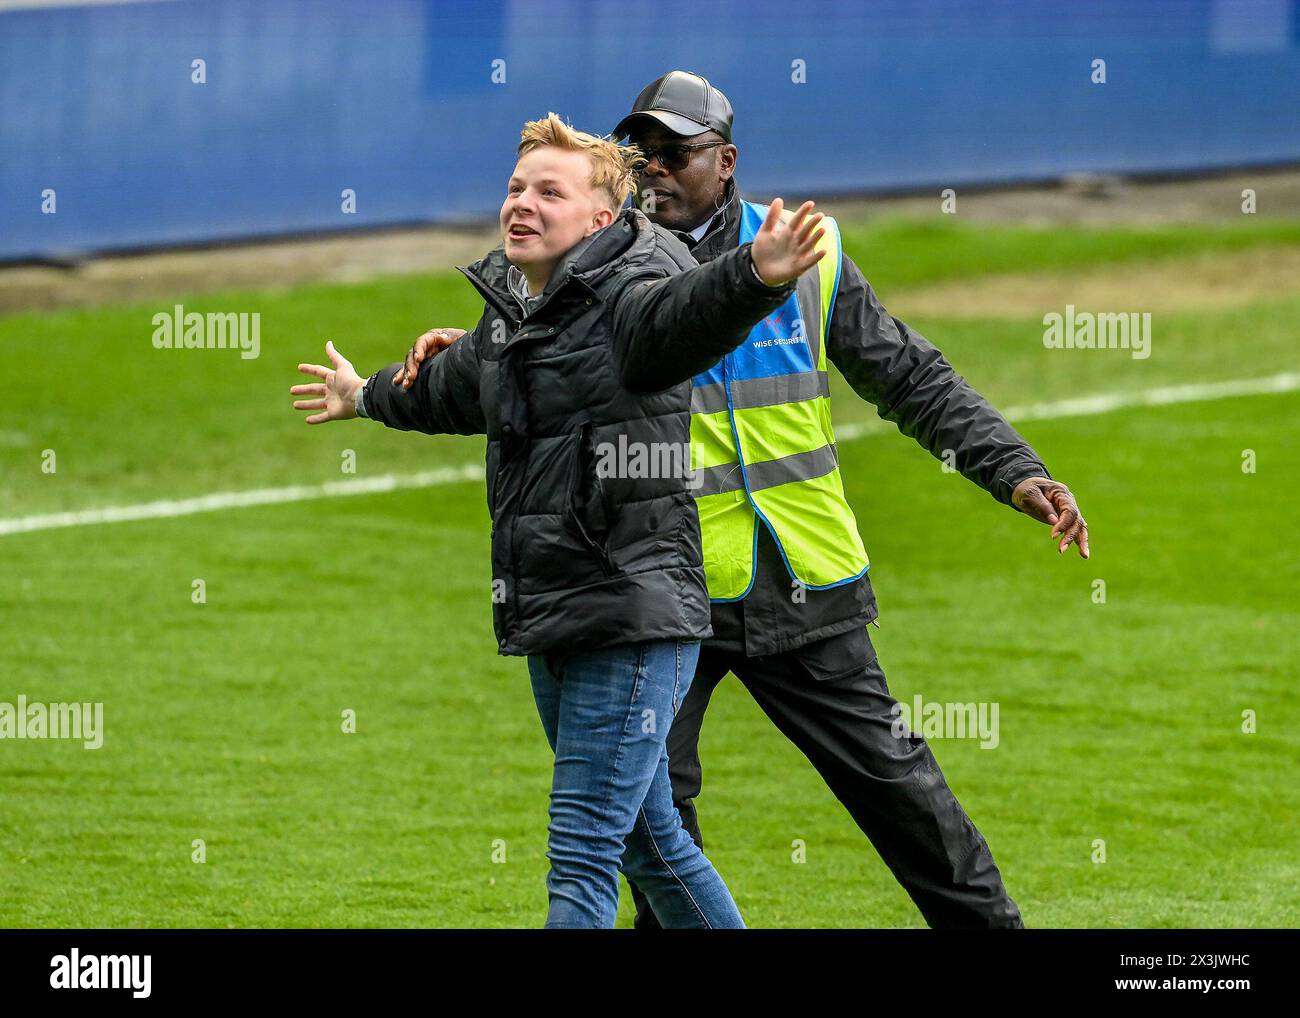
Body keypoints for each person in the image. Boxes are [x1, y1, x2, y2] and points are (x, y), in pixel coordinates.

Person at [397, 74, 1091, 930]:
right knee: (652, 833)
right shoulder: (605, 258)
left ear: (724, 163)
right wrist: (455, 350)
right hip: (665, 592)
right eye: (638, 152)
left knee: (908, 802)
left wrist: (1015, 470)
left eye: (676, 152)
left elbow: (909, 376)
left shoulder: (805, 249)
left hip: (806, 577)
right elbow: (527, 346)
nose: (654, 167)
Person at [289, 112, 828, 928]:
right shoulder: (518, 310)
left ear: (601, 219)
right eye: (515, 188)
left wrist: (757, 274)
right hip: (554, 605)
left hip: (632, 612)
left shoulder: (632, 295)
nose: (522, 204)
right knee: (654, 848)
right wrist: (364, 396)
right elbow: (452, 387)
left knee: (581, 853)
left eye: (549, 191)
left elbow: (684, 317)